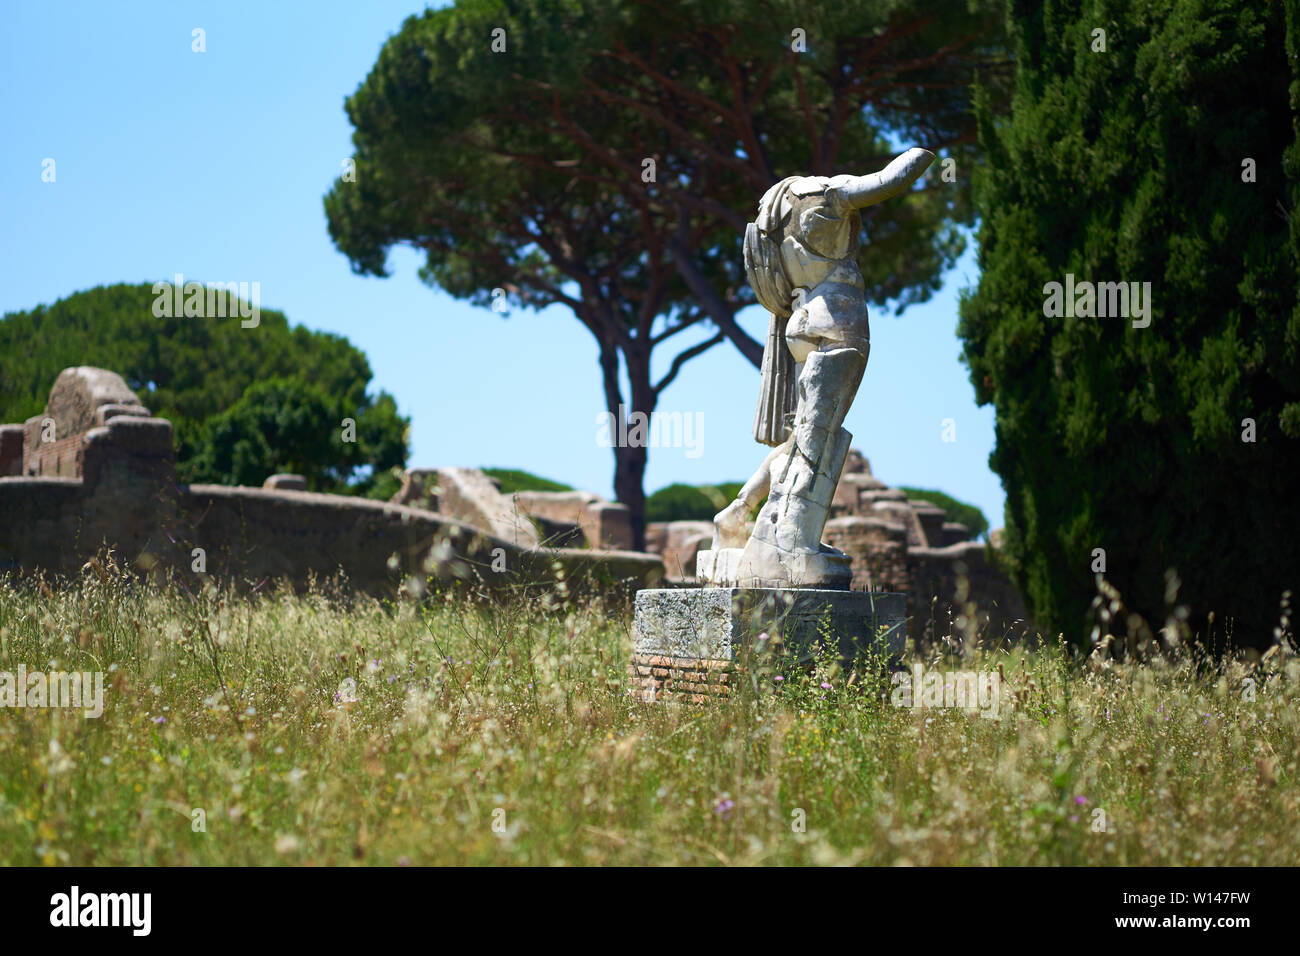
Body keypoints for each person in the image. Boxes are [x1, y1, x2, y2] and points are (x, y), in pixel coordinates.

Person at [703, 147, 936, 589]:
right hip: (838, 317)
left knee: (804, 431)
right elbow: (891, 178)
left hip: (802, 317)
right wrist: (924, 152)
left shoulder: (775, 204)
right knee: (817, 433)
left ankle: (737, 512)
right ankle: (789, 540)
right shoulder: (828, 194)